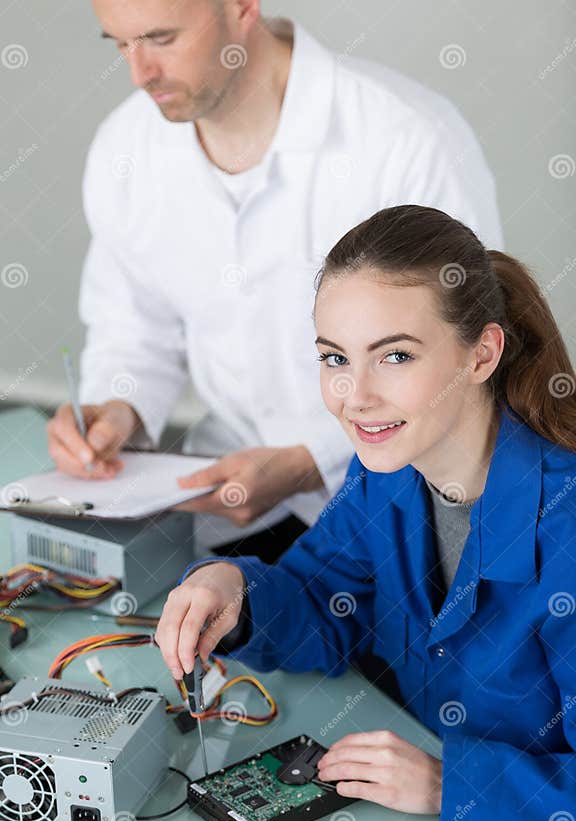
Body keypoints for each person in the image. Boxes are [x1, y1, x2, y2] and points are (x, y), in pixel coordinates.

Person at [155, 204, 576, 821]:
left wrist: (451, 784)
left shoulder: (564, 530)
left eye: (396, 356)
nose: (356, 396)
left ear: (482, 354)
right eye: (335, 359)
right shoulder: (386, 473)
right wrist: (233, 590)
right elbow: (324, 604)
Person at [47, 0, 502, 560]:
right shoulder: (125, 148)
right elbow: (133, 332)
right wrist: (116, 411)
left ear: (242, 7)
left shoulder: (407, 137)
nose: (140, 73)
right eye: (120, 44)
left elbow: (463, 358)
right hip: (224, 490)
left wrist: (310, 461)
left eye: (161, 39)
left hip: (400, 500)